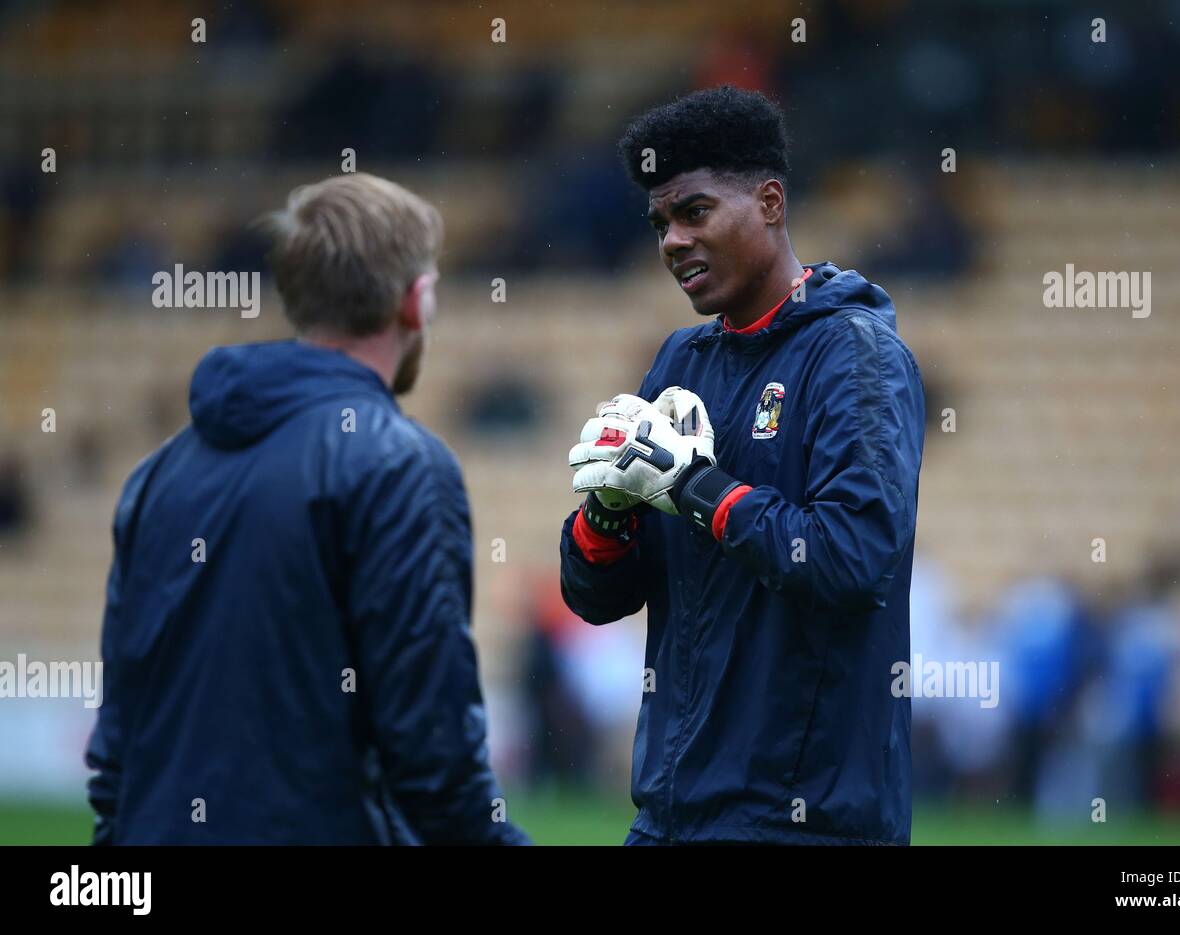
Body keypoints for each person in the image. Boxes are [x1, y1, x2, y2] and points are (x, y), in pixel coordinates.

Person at [86, 173, 526, 845]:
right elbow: (431, 750)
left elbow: (116, 744)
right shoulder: (397, 464)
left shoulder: (158, 471)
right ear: (416, 301)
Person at [560, 86, 926, 845]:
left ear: (768, 201)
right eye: (660, 222)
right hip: (668, 812)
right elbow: (596, 596)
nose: (671, 241)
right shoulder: (679, 360)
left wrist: (697, 487)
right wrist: (608, 512)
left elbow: (853, 557)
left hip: (801, 820)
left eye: (694, 212)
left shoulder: (853, 354)